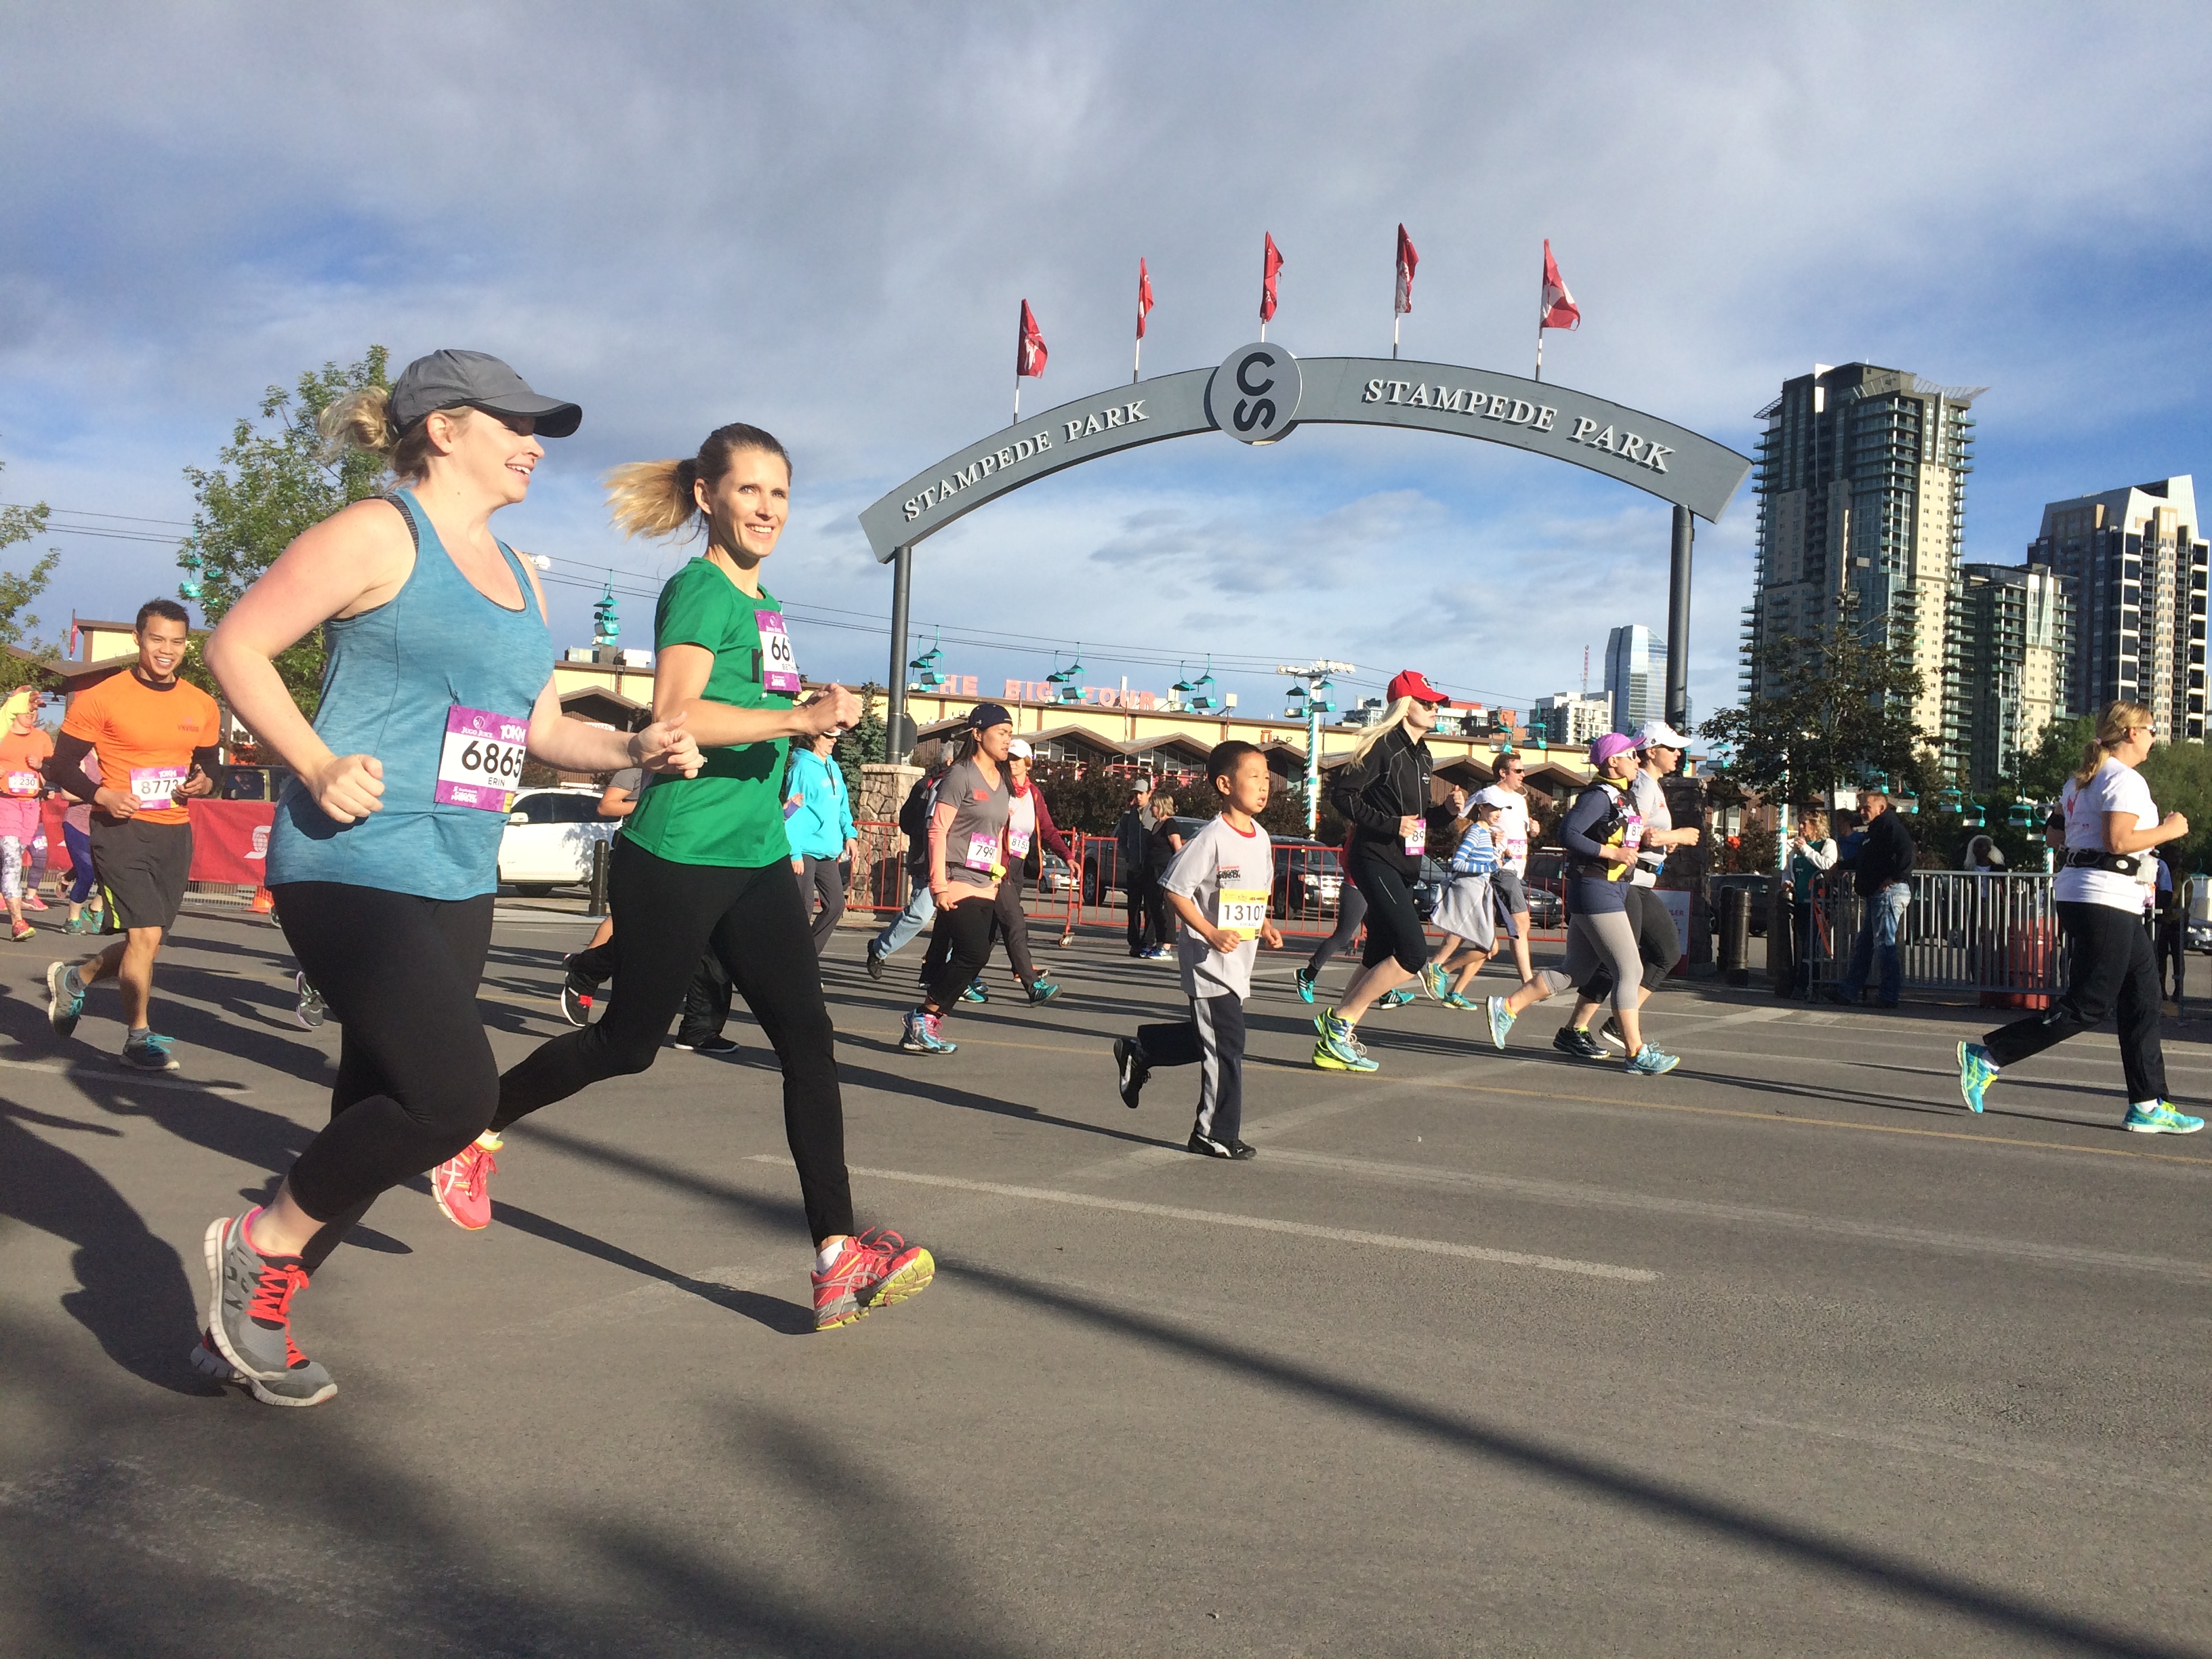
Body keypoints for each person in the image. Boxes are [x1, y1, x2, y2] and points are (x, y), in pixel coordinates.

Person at [188, 349, 708, 1406]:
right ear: (443, 429)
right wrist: (315, 762)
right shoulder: (380, 534)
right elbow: (236, 645)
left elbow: (544, 729)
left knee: (373, 1110)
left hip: (460, 872)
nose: (534, 447)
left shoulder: (520, 576)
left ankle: (240, 1327)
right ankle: (257, 1248)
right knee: (454, 1098)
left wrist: (635, 748)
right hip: (353, 858)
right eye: (515, 425)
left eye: (538, 431)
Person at [464, 420, 935, 1340]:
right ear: (707, 497)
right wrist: (793, 718)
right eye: (750, 490)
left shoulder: (766, 608)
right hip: (677, 855)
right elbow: (676, 715)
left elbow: (753, 712)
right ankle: (472, 1126)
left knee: (808, 1040)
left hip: (753, 857)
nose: (767, 508)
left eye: (780, 493)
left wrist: (816, 715)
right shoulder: (698, 590)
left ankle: (836, 1259)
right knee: (627, 1044)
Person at [1959, 701, 2202, 1134]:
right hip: (2103, 897)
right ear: (2131, 733)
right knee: (2089, 1004)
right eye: (2150, 729)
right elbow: (2118, 840)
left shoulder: (2081, 779)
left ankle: (2147, 1104)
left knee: (2144, 998)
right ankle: (1990, 1057)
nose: (2154, 737)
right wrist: (2171, 829)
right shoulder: (2123, 779)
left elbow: (2054, 834)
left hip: (2098, 895)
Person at [43, 599, 222, 1071]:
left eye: (177, 641)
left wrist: (204, 782)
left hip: (174, 833)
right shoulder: (103, 697)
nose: (167, 650)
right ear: (139, 639)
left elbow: (210, 766)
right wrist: (102, 794)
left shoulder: (201, 703)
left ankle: (76, 979)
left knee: (150, 940)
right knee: (143, 934)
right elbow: (60, 765)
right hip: (120, 830)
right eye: (157, 639)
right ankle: (138, 1039)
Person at [1111, 741, 1282, 1158]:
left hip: (1239, 961)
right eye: (1254, 776)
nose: (1264, 786)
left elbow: (1257, 890)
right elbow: (1175, 891)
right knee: (1228, 1044)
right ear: (1225, 784)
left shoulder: (1261, 837)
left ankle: (1142, 1050)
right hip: (1209, 962)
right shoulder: (1211, 838)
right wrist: (1209, 932)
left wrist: (1264, 924)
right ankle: (1212, 1133)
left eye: (1267, 778)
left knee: (1211, 1036)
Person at [1484, 733, 1681, 1076]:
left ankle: (1507, 1007)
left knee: (1575, 971)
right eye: (1631, 755)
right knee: (1630, 970)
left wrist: (1656, 846)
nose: (1637, 760)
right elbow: (1568, 833)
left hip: (1611, 888)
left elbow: (1626, 839)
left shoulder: (1623, 797)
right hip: (1596, 889)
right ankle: (1636, 1052)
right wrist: (1610, 853)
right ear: (1613, 762)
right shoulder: (1598, 796)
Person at [1311, 670, 1450, 1073]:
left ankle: (1334, 1042)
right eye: (1427, 702)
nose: (1435, 709)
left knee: (1378, 954)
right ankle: (1339, 1023)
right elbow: (1343, 796)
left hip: (1405, 863)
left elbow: (1416, 820)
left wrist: (1445, 813)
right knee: (1412, 953)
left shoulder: (1423, 754)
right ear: (1405, 706)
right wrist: (1390, 825)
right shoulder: (1384, 746)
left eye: (1436, 703)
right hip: (1374, 858)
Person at [901, 703, 1013, 1053]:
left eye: (1010, 733)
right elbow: (937, 830)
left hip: (985, 881)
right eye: (1001, 732)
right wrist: (938, 885)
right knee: (973, 952)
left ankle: (925, 1024)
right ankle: (922, 1017)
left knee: (976, 956)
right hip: (954, 878)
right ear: (978, 734)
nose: (1007, 740)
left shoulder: (1002, 781)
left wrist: (996, 874)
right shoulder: (960, 775)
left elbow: (995, 832)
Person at [977, 737, 1065, 1004]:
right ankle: (1032, 985)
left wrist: (1068, 856)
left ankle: (961, 974)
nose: (1011, 763)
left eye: (1017, 759)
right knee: (1015, 923)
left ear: (1028, 763)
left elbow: (1048, 830)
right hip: (997, 866)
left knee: (993, 929)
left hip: (1017, 867)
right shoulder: (998, 787)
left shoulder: (1034, 794)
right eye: (1009, 758)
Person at [1549, 884, 1679, 1060]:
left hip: (1642, 887)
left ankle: (1611, 1026)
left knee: (1667, 954)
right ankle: (1576, 1029)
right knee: (1617, 960)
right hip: (1623, 887)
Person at [1827, 784, 1916, 1008]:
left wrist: (1894, 877)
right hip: (1876, 893)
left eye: (1866, 807)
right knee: (1866, 944)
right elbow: (1863, 860)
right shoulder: (1875, 831)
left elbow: (1907, 853)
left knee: (1884, 944)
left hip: (1887, 893)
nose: (1862, 811)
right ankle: (1848, 992)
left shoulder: (1890, 827)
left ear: (1881, 808)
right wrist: (1841, 866)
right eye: (1861, 807)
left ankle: (1888, 995)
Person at [865, 755, 947, 979]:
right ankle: (879, 949)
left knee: (956, 921)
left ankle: (945, 971)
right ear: (950, 762)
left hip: (957, 864)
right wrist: (931, 832)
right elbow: (907, 822)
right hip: (926, 862)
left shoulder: (970, 784)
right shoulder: (927, 786)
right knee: (920, 915)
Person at [1422, 788, 1502, 1008]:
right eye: (1494, 809)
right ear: (1481, 808)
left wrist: (1498, 860)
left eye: (1501, 810)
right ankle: (1442, 969)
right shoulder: (1476, 831)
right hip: (1469, 891)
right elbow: (1458, 863)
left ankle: (1453, 989)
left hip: (1479, 891)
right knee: (1488, 947)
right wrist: (1489, 866)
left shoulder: (1486, 833)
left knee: (1485, 946)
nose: (1498, 813)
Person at [785, 727, 857, 954]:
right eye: (828, 736)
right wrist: (794, 852)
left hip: (827, 850)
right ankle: (789, 961)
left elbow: (842, 805)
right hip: (804, 849)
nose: (833, 741)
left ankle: (807, 956)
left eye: (835, 737)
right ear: (813, 737)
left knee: (836, 905)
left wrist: (850, 834)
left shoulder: (833, 767)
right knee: (803, 907)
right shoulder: (802, 768)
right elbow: (792, 810)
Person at [1473, 754, 1538, 986]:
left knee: (1483, 935)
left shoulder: (1520, 800)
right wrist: (1485, 833)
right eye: (1518, 771)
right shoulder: (1487, 795)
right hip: (1499, 867)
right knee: (1522, 923)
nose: (1523, 775)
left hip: (1516, 868)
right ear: (1503, 773)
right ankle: (1529, 982)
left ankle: (1443, 972)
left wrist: (1534, 831)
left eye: (1523, 770)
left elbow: (1521, 830)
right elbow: (1460, 823)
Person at [0, 687, 55, 941]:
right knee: (12, 857)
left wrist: (41, 767)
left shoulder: (42, 738)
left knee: (12, 855)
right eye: (28, 706)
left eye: (36, 708)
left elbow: (52, 774)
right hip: (5, 802)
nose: (32, 712)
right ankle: (18, 922)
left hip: (31, 806)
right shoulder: (2, 733)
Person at [1783, 809, 1838, 999]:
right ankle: (1811, 986)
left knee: (1811, 946)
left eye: (1804, 823)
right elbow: (1788, 869)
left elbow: (1828, 865)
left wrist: (1807, 850)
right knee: (1804, 945)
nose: (1800, 827)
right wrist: (1787, 881)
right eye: (1799, 822)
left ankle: (1805, 986)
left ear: (1816, 825)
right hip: (1801, 902)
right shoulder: (1797, 848)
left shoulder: (1827, 844)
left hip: (1819, 904)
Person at [1114, 777, 1161, 958]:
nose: (1138, 797)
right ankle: (1134, 943)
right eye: (1135, 794)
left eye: (1141, 793)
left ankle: (1148, 942)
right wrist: (1128, 855)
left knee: (1151, 907)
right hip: (1134, 869)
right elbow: (1121, 839)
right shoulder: (1128, 815)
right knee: (1133, 908)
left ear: (1149, 793)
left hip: (1150, 870)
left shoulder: (1155, 813)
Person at [1141, 790, 1184, 956]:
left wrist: (1176, 872)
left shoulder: (1170, 824)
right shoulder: (1156, 825)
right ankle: (1158, 943)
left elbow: (1178, 849)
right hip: (1152, 872)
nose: (1151, 809)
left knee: (1165, 908)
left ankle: (1166, 946)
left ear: (1161, 807)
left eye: (1153, 806)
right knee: (1154, 908)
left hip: (1164, 871)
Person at [2155, 850, 2186, 1006]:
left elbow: (2183, 900)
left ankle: (2178, 989)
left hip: (2176, 922)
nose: (2177, 860)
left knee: (2177, 956)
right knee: (2160, 956)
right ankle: (2161, 988)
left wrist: (2169, 913)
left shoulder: (2184, 878)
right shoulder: (2160, 870)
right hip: (2162, 920)